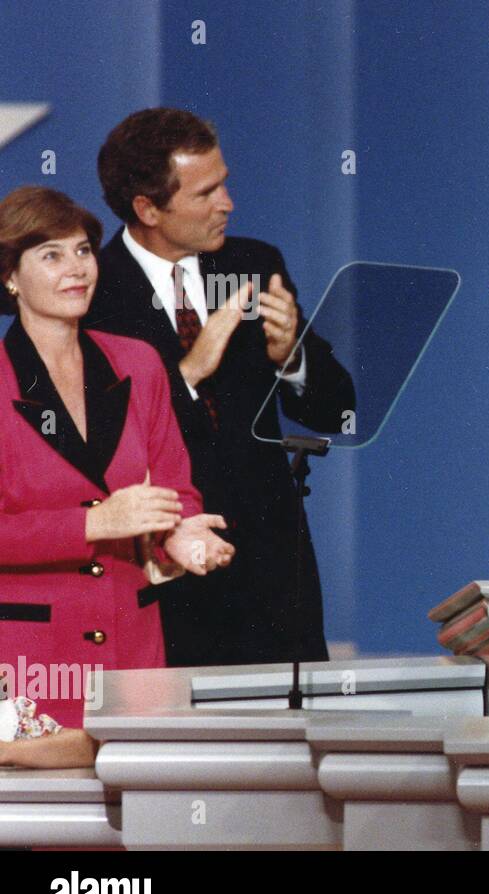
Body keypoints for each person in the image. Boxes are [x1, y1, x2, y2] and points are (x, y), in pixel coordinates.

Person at [87, 108, 356, 667]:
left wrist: (292, 359)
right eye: (206, 192)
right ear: (148, 209)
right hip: (167, 572)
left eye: (224, 183)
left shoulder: (254, 264)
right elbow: (99, 445)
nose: (227, 203)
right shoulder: (92, 292)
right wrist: (188, 372)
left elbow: (338, 409)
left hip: (275, 574)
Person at [0, 186, 233, 730]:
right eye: (51, 255)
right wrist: (94, 523)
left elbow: (175, 489)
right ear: (10, 275)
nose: (76, 269)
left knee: (142, 805)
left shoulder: (138, 363)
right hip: (29, 660)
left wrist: (181, 534)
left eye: (83, 251)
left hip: (134, 651)